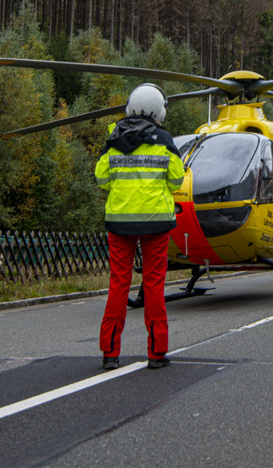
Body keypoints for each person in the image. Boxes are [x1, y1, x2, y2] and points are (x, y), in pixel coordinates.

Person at [95, 83, 186, 370]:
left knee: (118, 284)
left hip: (119, 222)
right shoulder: (164, 140)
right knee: (154, 284)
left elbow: (101, 178)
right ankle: (157, 354)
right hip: (156, 223)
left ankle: (110, 353)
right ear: (159, 111)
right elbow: (176, 180)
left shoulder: (114, 137)